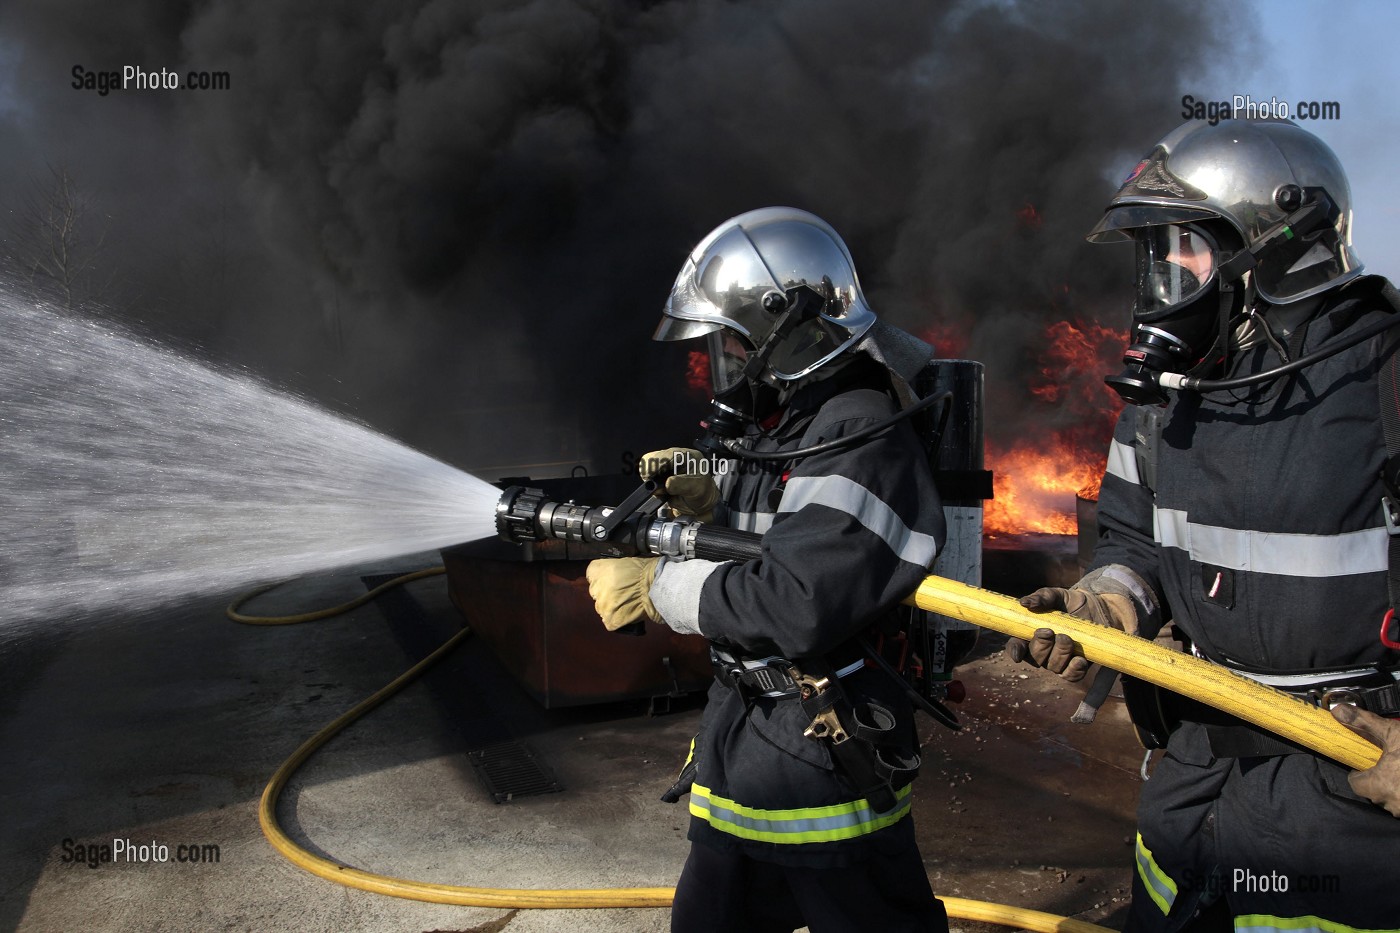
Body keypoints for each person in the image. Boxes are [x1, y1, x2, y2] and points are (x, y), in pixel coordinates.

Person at [1009, 118, 1400, 932]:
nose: (1159, 283)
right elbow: (1132, 539)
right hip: (1193, 793)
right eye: (1151, 259)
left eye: (1180, 249)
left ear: (1273, 250)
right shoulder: (1168, 398)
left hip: (1347, 817)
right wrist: (1107, 604)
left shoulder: (1383, 380)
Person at [585, 207, 950, 933]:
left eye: (733, 337)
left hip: (825, 755)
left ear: (786, 328)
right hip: (750, 739)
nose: (724, 357)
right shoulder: (793, 422)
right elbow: (773, 530)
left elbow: (797, 596)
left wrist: (657, 587)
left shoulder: (859, 430)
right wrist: (712, 492)